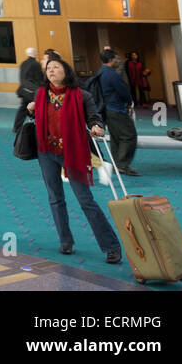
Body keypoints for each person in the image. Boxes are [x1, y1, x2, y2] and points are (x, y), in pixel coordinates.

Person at [26, 56, 122, 263]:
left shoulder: (81, 96)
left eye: (56, 67)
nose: (51, 71)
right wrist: (32, 111)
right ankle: (65, 241)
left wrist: (97, 126)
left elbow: (93, 116)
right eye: (49, 68)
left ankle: (111, 246)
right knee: (55, 198)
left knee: (86, 200)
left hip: (74, 152)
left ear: (66, 72)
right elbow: (43, 120)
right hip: (47, 152)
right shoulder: (41, 94)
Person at [96, 49, 139, 176]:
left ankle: (117, 163)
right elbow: (123, 91)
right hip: (116, 109)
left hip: (107, 110)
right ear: (111, 60)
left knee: (116, 138)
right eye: (117, 58)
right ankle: (122, 165)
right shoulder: (112, 74)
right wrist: (130, 102)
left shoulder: (100, 73)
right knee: (129, 135)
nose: (118, 61)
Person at [13, 46, 45, 134]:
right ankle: (39, 128)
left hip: (23, 90)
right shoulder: (36, 64)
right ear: (34, 54)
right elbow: (40, 78)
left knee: (23, 108)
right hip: (33, 91)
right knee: (38, 109)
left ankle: (16, 127)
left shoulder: (23, 63)